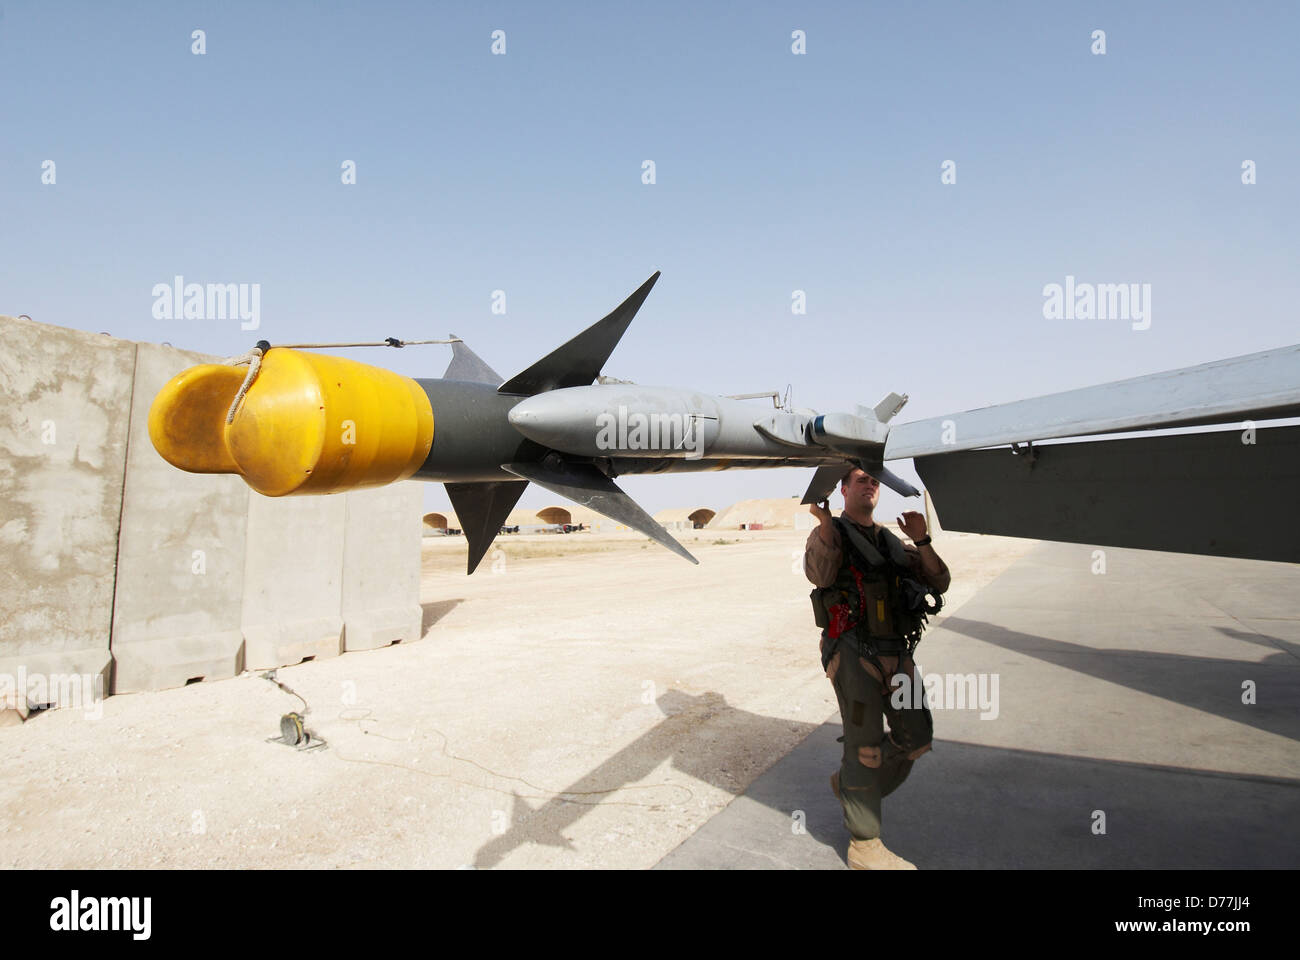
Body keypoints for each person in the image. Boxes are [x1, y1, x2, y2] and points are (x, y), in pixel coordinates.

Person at [803, 467, 950, 869]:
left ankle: (852, 787)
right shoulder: (830, 534)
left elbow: (941, 581)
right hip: (852, 654)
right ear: (844, 489)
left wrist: (921, 539)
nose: (869, 486)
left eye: (874, 481)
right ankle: (864, 846)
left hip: (897, 653)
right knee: (865, 745)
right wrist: (825, 524)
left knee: (916, 736)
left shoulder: (891, 541)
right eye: (860, 480)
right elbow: (819, 573)